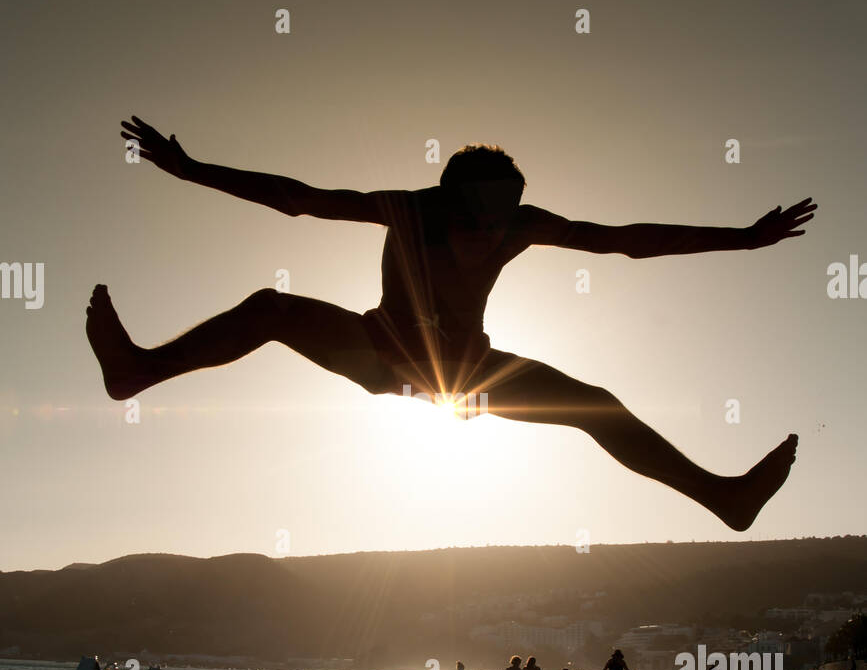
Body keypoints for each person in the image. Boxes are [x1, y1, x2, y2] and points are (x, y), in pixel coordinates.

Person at [89, 124, 816, 529]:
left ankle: (723, 497)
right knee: (271, 309)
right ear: (447, 204)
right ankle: (137, 370)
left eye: (500, 221)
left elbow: (620, 239)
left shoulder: (519, 226)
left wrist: (741, 238)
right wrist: (191, 170)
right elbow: (299, 199)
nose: (486, 236)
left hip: (470, 373)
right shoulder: (407, 209)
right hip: (382, 352)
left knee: (594, 403)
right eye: (475, 221)